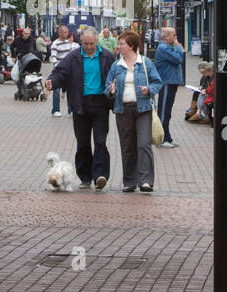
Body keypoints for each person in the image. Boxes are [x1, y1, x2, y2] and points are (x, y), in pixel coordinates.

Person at [45, 27, 115, 189]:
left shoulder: (106, 56)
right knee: (83, 143)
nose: (89, 47)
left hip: (100, 103)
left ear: (97, 41)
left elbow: (116, 74)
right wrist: (52, 82)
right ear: (80, 42)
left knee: (100, 141)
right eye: (85, 43)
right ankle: (85, 177)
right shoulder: (74, 57)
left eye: (91, 43)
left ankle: (100, 176)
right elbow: (60, 73)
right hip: (80, 103)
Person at [105, 31, 162, 193]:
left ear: (131, 46)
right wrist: (111, 91)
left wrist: (148, 89)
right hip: (123, 109)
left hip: (143, 108)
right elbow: (107, 87)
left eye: (121, 44)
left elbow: (157, 82)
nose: (118, 47)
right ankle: (129, 181)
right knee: (127, 146)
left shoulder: (145, 63)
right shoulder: (116, 66)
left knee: (143, 144)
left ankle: (145, 181)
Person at [152, 26, 185, 148]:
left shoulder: (168, 47)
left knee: (168, 112)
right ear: (166, 37)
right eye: (174, 35)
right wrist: (178, 46)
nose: (176, 38)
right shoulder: (163, 48)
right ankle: (161, 139)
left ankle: (167, 137)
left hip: (171, 82)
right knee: (164, 111)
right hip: (166, 82)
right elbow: (179, 58)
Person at [48, 25, 78, 117]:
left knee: (71, 90)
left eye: (67, 32)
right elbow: (53, 57)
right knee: (56, 89)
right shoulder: (55, 44)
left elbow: (70, 56)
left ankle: (71, 109)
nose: (66, 34)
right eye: (64, 32)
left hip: (69, 70)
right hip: (59, 70)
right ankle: (55, 110)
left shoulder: (68, 43)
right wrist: (58, 68)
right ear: (59, 32)